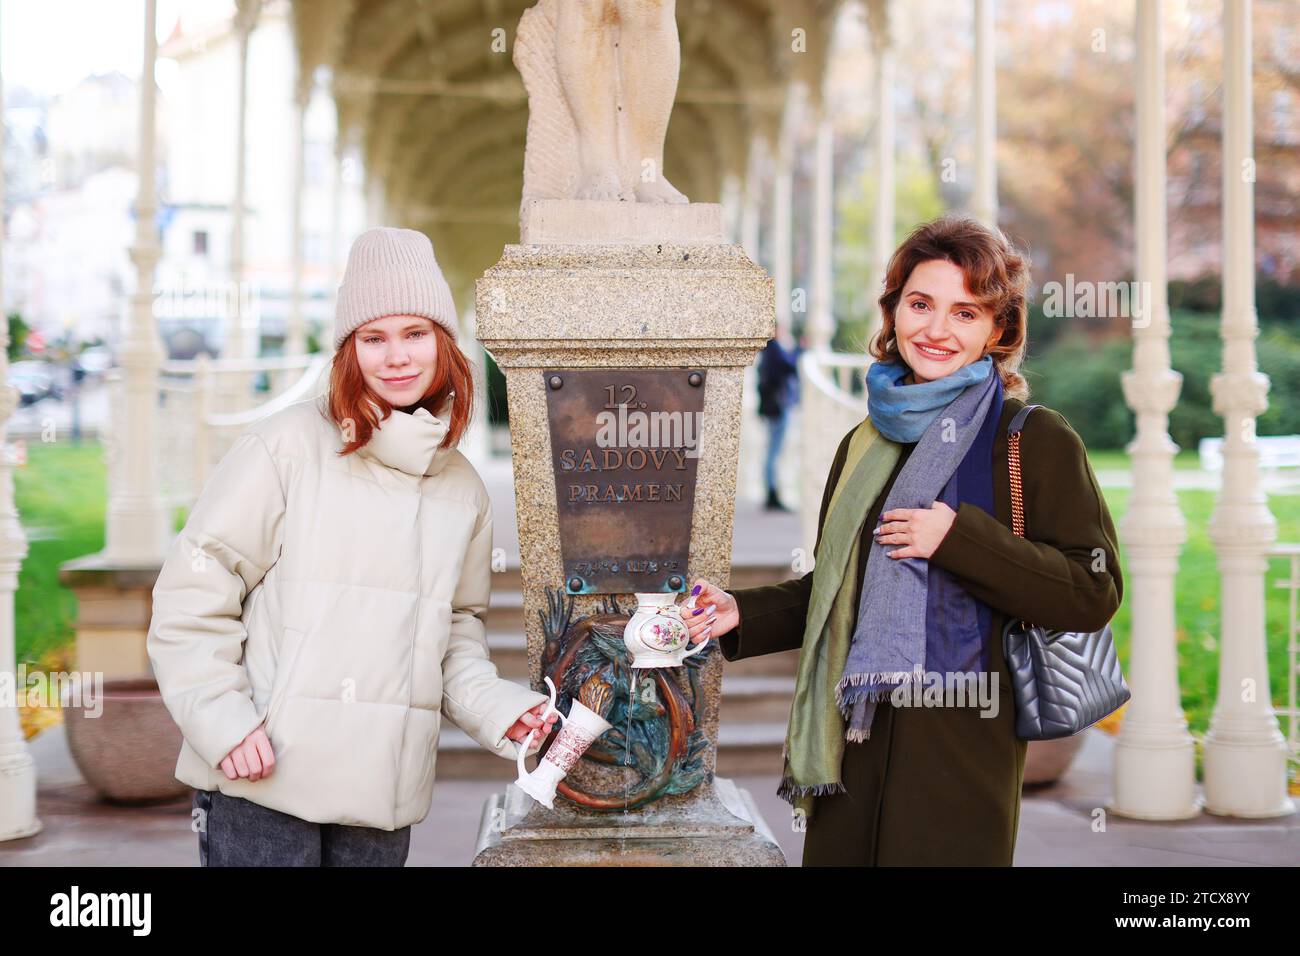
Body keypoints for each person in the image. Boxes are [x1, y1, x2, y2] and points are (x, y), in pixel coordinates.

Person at [685, 214, 1123, 866]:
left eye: (966, 313)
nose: (937, 330)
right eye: (921, 304)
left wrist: (957, 539)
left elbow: (1092, 590)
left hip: (962, 752)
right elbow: (834, 592)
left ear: (998, 330)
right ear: (893, 311)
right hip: (851, 747)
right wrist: (740, 612)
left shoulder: (1031, 438)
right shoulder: (863, 444)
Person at [147, 227, 558, 867]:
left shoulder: (463, 490)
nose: (396, 356)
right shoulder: (284, 447)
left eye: (415, 333)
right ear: (348, 350)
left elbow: (452, 633)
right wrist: (224, 722)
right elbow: (191, 595)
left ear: (445, 345)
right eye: (374, 337)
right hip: (263, 782)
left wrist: (500, 709)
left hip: (380, 798)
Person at [756, 334, 800, 511]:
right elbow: (790, 366)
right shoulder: (774, 350)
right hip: (777, 408)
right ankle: (772, 493)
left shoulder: (766, 353)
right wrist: (798, 349)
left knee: (772, 451)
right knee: (774, 452)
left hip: (771, 408)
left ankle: (771, 491)